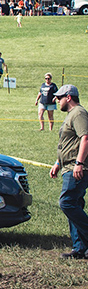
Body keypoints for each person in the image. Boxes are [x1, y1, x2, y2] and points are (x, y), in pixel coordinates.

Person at [49, 84, 88, 259]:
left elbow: (85, 138)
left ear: (69, 97)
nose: (57, 100)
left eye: (59, 97)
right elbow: (69, 143)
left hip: (76, 168)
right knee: (75, 204)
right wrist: (58, 162)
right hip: (67, 166)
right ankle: (80, 249)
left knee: (67, 203)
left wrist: (79, 163)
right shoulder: (71, 115)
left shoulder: (78, 113)